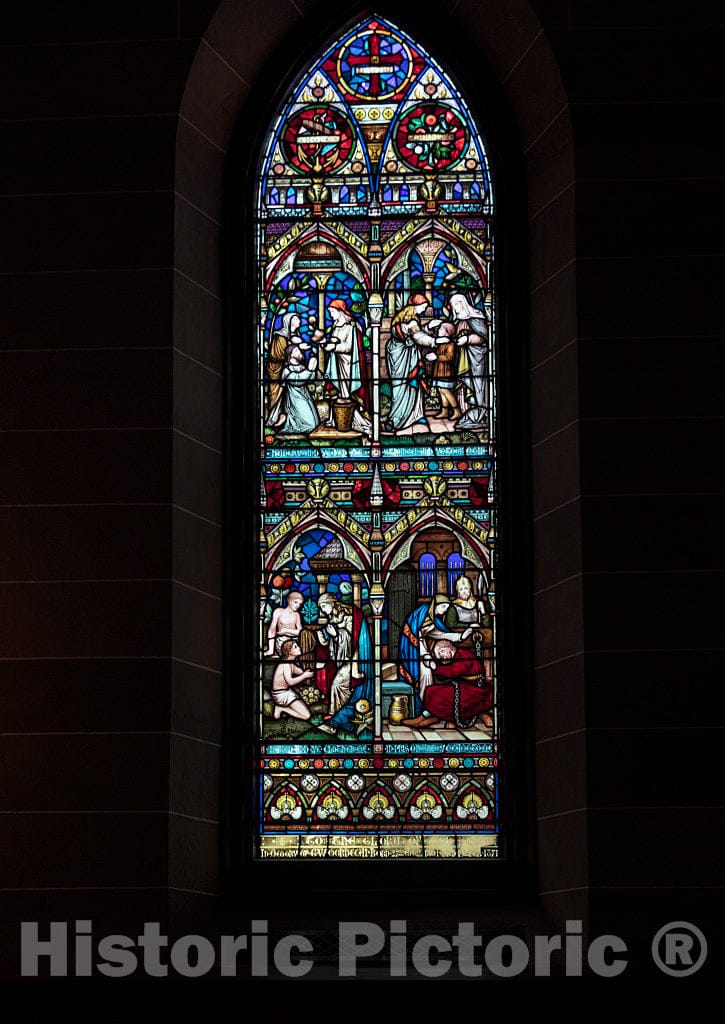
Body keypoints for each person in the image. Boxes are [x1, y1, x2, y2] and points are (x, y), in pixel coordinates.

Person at [401, 638, 492, 730]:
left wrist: (435, 668)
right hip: (464, 686)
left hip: (475, 690)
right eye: (439, 656)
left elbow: (453, 671)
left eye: (441, 652)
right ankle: (432, 718)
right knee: (431, 690)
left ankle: (422, 718)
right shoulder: (454, 657)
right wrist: (434, 668)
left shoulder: (464, 654)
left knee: (443, 695)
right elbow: (446, 675)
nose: (441, 657)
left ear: (449, 648)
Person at [314, 298, 371, 435]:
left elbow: (349, 346)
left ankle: (361, 424)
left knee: (346, 396)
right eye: (330, 311)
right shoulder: (336, 326)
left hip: (347, 365)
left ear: (340, 311)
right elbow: (335, 343)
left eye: (332, 311)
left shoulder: (350, 327)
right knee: (339, 394)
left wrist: (334, 346)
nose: (331, 314)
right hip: (337, 362)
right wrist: (327, 344)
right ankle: (335, 420)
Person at [384, 314, 435, 432]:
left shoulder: (411, 340)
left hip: (412, 369)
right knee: (400, 393)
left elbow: (418, 337)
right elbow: (397, 365)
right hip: (400, 375)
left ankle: (417, 415)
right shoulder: (393, 346)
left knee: (415, 391)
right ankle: (396, 420)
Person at [448, 292, 489, 431]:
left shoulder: (475, 318)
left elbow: (485, 338)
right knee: (463, 387)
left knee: (478, 386)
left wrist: (468, 339)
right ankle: (467, 413)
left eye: (457, 303)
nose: (455, 307)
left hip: (476, 361)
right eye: (453, 305)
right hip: (462, 360)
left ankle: (480, 414)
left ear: (464, 303)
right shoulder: (457, 321)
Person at [266, 336, 320, 435]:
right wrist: (310, 370)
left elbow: (310, 379)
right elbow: (296, 381)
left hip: (304, 396)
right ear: (291, 354)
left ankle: (287, 419)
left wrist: (311, 371)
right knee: (310, 425)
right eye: (297, 351)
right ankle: (287, 420)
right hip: (293, 399)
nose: (300, 353)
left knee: (315, 423)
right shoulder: (287, 370)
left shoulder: (302, 366)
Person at [270, 639, 313, 720]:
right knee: (307, 716)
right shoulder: (286, 664)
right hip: (281, 695)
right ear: (289, 651)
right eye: (296, 647)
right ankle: (281, 708)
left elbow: (301, 672)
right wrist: (304, 676)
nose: (299, 648)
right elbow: (290, 682)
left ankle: (284, 708)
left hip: (286, 692)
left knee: (305, 711)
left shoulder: (291, 663)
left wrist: (312, 670)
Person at [266, 311, 298, 413]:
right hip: (277, 370)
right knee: (276, 393)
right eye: (296, 319)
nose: (299, 321)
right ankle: (273, 416)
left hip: (287, 371)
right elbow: (276, 355)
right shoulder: (280, 337)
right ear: (289, 321)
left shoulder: (294, 335)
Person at [430, 320, 461, 421]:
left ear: (447, 332)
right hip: (439, 371)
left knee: (445, 390)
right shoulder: (441, 343)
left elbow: (449, 357)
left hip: (447, 372)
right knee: (440, 390)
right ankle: (445, 411)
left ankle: (457, 411)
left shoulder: (451, 344)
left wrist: (436, 356)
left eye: (441, 329)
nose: (438, 330)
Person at [265, 591, 304, 656]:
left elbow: (301, 632)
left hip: (295, 642)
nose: (298, 605)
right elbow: (272, 629)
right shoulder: (278, 611)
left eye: (300, 604)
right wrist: (271, 649)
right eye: (295, 602)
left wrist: (286, 630)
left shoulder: (297, 615)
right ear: (288, 600)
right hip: (281, 642)